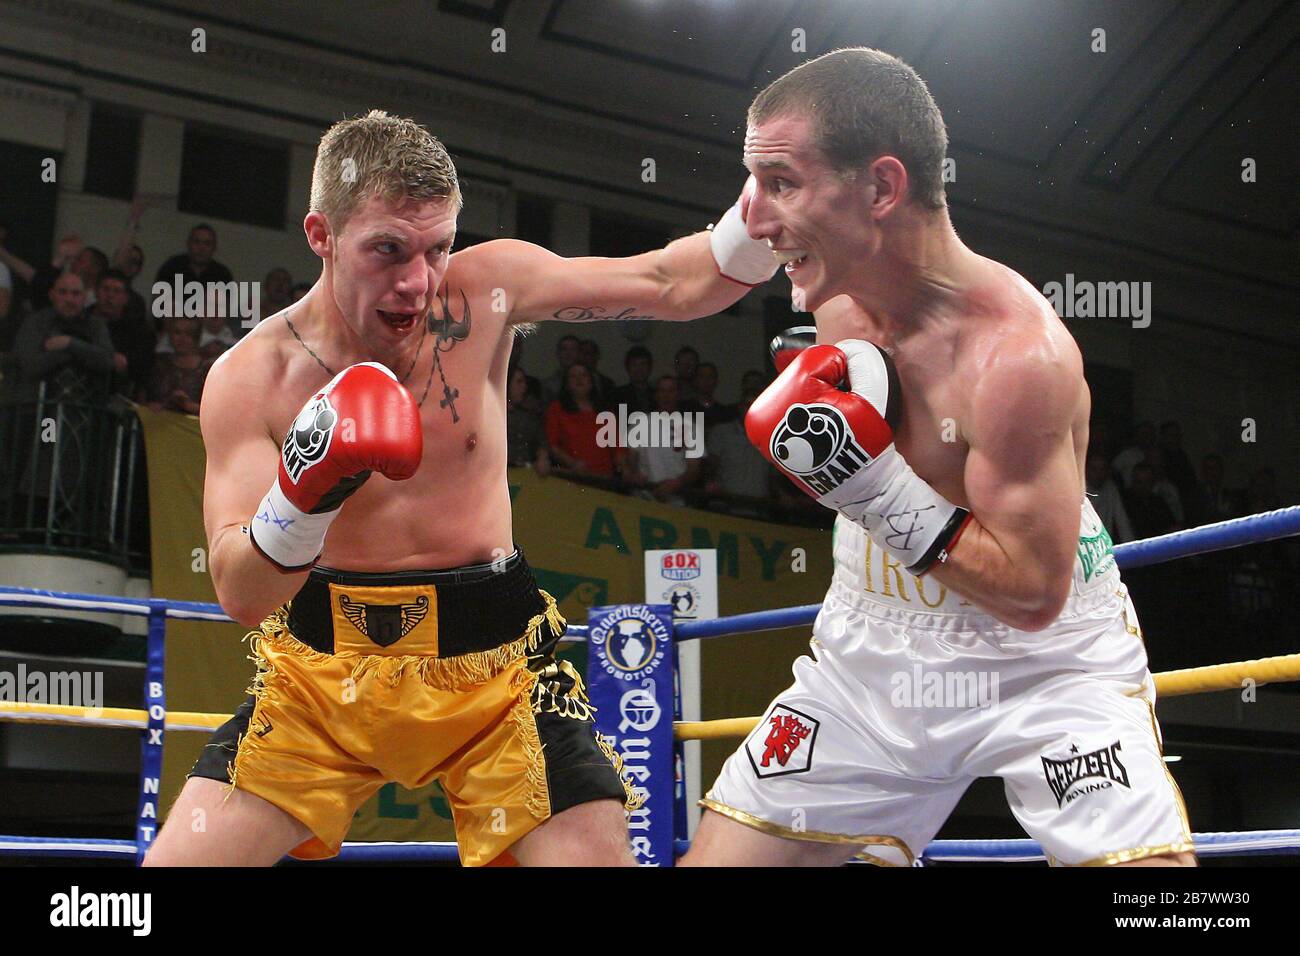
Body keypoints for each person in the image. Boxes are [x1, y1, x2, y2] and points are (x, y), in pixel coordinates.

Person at [143, 109, 773, 868]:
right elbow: (241, 593)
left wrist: (765, 210)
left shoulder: (483, 294)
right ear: (321, 235)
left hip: (499, 668)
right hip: (319, 679)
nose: (418, 282)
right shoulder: (252, 378)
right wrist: (304, 492)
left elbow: (672, 282)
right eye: (388, 249)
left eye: (438, 247)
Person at [684, 48, 1194, 868]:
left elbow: (1031, 594)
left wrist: (874, 485)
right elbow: (673, 282)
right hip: (871, 650)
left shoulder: (1018, 360)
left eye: (781, 183)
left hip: (1040, 663)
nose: (756, 215)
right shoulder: (833, 282)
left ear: (881, 189)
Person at [622, 375, 701, 505]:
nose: (666, 395)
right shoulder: (640, 423)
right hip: (643, 497)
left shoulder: (690, 427)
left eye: (671, 390)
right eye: (662, 390)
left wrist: (678, 483)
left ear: (678, 395)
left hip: (677, 500)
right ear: (656, 395)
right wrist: (634, 474)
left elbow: (694, 469)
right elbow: (630, 457)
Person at [543, 363, 618, 478]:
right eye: (573, 376)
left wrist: (625, 468)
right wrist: (572, 463)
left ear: (592, 381)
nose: (579, 380)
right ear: (566, 383)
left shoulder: (606, 410)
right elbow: (552, 446)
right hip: (573, 477)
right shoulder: (556, 409)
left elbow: (617, 448)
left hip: (605, 478)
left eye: (583, 375)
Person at [92, 269, 155, 402]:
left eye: (116, 291)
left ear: (126, 298)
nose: (110, 296)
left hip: (118, 395)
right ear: (96, 292)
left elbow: (144, 370)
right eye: (106, 289)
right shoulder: (81, 320)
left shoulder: (139, 331)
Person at [608, 345, 655, 415]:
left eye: (643, 364)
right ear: (627, 368)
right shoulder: (617, 395)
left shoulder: (657, 393)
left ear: (650, 367)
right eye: (634, 364)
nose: (639, 369)